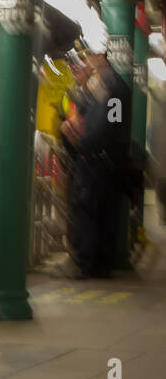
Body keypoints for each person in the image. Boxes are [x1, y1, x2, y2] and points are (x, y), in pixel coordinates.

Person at [58, 52, 132, 278]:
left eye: (89, 57)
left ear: (101, 57)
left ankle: (86, 264)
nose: (86, 62)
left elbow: (104, 124)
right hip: (111, 161)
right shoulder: (113, 84)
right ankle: (102, 264)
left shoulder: (106, 83)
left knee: (87, 210)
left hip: (95, 160)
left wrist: (81, 142)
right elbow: (107, 119)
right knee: (107, 213)